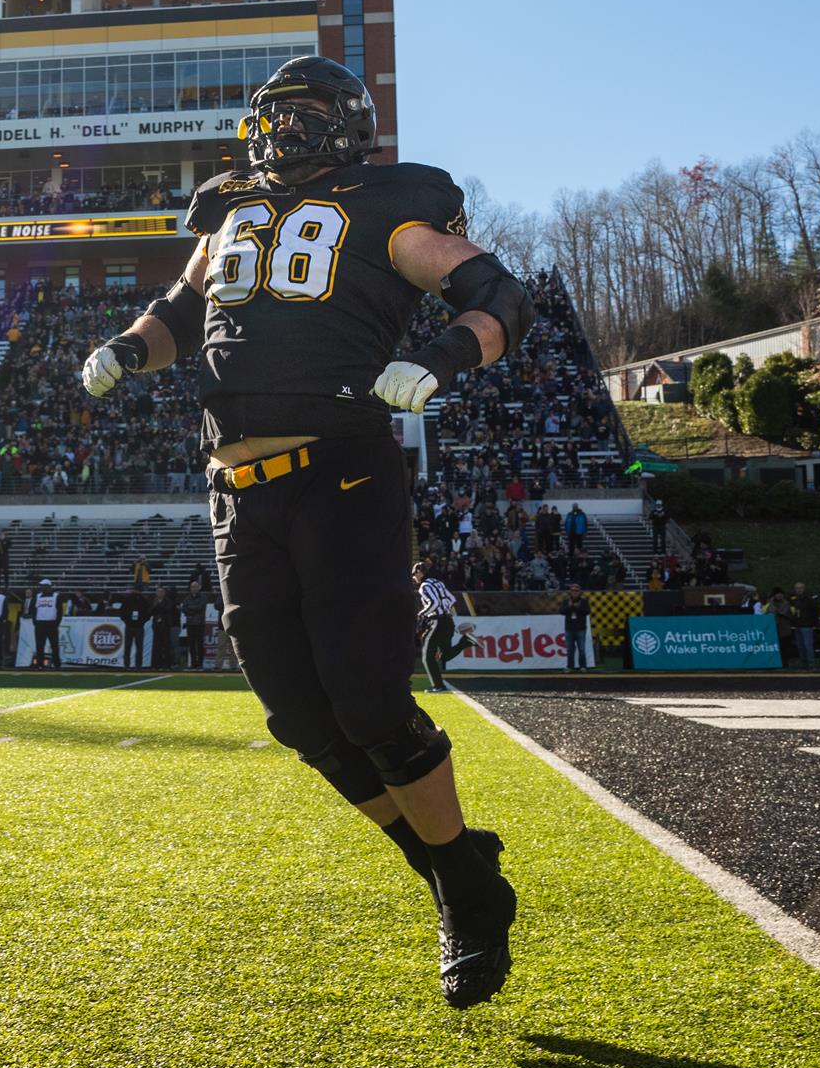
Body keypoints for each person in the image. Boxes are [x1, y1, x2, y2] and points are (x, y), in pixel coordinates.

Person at [80, 55, 531, 1008]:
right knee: (298, 714)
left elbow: (497, 296)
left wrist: (443, 358)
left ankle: (463, 890)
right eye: (272, 116)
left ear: (349, 123)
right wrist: (129, 346)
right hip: (234, 488)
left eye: (304, 114)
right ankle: (455, 869)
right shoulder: (228, 206)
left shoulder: (391, 202)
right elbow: (181, 308)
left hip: (344, 471)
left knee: (370, 704)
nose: (283, 132)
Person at [414, 565, 463, 692]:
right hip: (448, 620)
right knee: (445, 654)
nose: (414, 577)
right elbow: (452, 599)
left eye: (415, 574)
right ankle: (466, 642)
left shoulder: (424, 586)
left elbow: (434, 603)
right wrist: (444, 609)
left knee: (428, 656)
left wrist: (422, 614)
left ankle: (438, 686)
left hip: (437, 622)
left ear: (420, 572)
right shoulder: (438, 583)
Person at [30, 578, 63, 670]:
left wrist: (56, 623)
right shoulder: (37, 596)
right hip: (40, 624)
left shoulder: (56, 596)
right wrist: (35, 621)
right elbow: (33, 610)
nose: (42, 587)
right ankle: (40, 664)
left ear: (49, 586)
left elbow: (60, 611)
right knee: (39, 646)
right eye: (41, 585)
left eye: (44, 585)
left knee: (54, 645)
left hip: (51, 624)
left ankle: (57, 664)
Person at [560, 582, 593, 673]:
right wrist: (569, 607)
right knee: (570, 649)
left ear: (580, 592)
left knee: (581, 649)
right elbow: (562, 611)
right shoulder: (566, 601)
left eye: (576, 590)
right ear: (570, 591)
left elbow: (588, 611)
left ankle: (582, 666)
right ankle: (570, 667)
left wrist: (579, 608)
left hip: (581, 629)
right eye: (573, 590)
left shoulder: (584, 601)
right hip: (569, 628)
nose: (574, 592)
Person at [149, 585, 182, 672]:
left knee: (167, 646)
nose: (160, 593)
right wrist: (157, 607)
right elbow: (151, 610)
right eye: (158, 592)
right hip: (156, 625)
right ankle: (156, 664)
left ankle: (167, 664)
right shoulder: (153, 601)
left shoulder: (168, 601)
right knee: (157, 646)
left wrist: (158, 607)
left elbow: (168, 609)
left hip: (166, 626)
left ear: (164, 593)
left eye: (161, 592)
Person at [789, 582, 820, 669]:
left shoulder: (809, 599)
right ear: (795, 589)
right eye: (797, 588)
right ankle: (803, 664)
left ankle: (811, 664)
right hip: (797, 625)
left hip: (807, 625)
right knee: (800, 646)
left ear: (804, 589)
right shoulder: (793, 599)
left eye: (801, 588)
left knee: (808, 646)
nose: (799, 590)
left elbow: (816, 611)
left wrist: (814, 623)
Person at [118, 586, 149, 670]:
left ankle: (132, 665)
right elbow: (122, 612)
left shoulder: (142, 600)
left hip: (135, 626)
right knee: (133, 646)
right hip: (133, 626)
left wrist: (140, 622)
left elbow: (147, 613)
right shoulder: (133, 600)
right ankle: (131, 665)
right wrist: (129, 621)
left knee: (133, 647)